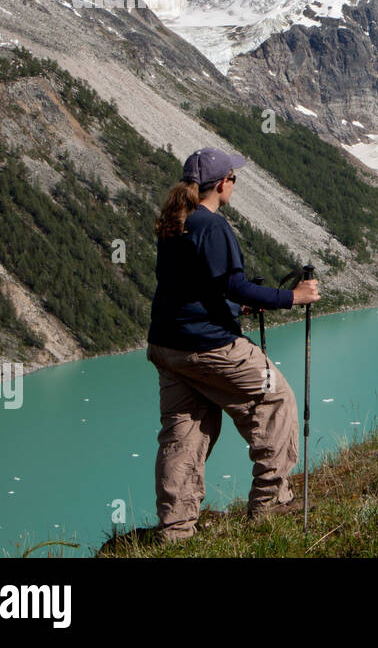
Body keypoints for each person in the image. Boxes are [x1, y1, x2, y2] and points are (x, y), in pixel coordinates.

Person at [146, 146, 320, 542]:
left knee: (184, 432)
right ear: (222, 183)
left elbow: (192, 287)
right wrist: (294, 297)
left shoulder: (175, 222)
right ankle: (270, 502)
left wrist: (231, 305)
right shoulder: (213, 226)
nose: (234, 185)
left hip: (167, 346)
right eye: (233, 179)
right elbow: (234, 284)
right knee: (275, 399)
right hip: (209, 346)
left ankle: (174, 530)